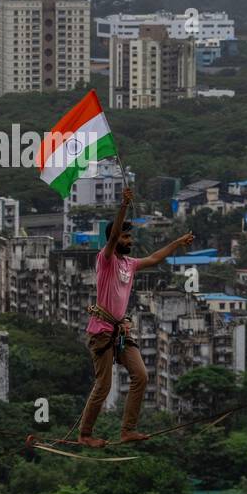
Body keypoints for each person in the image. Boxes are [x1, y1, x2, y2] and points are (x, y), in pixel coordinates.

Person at [79, 186, 193, 447]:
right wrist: (123, 205)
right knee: (104, 385)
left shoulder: (129, 264)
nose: (130, 241)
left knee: (140, 375)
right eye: (126, 237)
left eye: (130, 237)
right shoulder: (105, 259)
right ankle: (85, 434)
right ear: (116, 238)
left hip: (120, 332)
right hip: (102, 332)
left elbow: (154, 258)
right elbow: (112, 240)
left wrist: (177, 242)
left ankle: (127, 429)